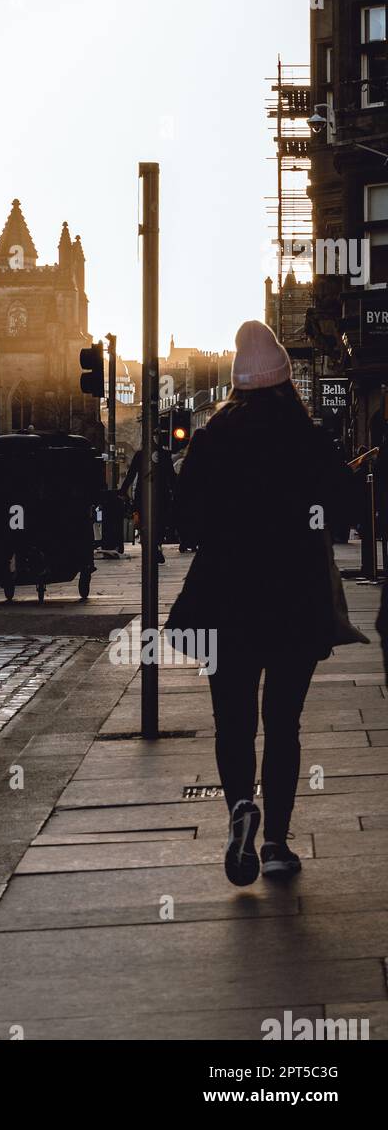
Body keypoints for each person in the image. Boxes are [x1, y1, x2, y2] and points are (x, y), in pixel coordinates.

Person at [167, 321, 357, 887]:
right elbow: (339, 507)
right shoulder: (306, 435)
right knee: (283, 723)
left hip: (225, 600)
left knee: (232, 721)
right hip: (295, 598)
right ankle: (275, 842)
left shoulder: (212, 437)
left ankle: (238, 811)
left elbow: (187, 522)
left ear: (236, 384)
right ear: (285, 381)